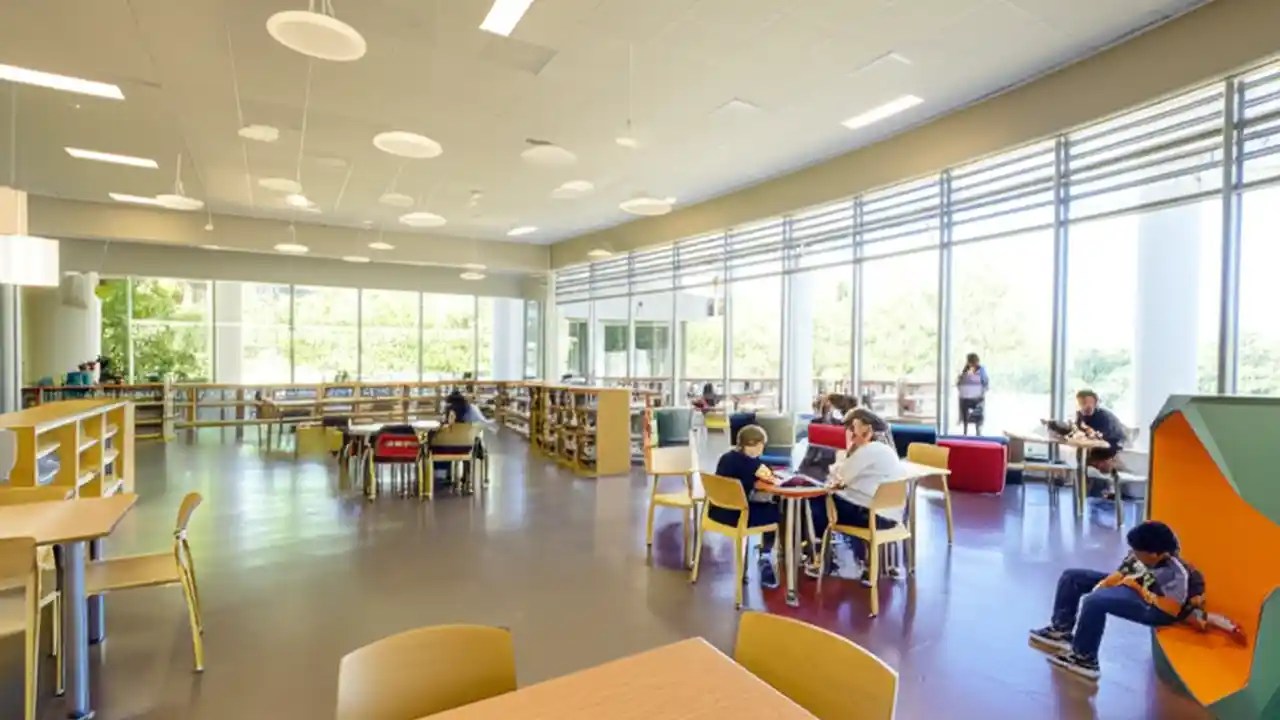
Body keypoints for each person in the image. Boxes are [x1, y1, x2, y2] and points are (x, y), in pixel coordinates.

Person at [1029, 521, 1203, 681]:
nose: (1133, 553)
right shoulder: (1142, 555)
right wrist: (1105, 585)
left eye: (1137, 551)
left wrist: (1136, 588)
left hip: (1155, 608)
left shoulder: (1175, 574)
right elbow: (1122, 573)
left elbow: (1170, 610)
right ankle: (1061, 629)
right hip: (1134, 584)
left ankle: (1084, 658)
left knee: (1095, 602)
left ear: (1154, 554)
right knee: (1072, 577)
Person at [807, 409, 903, 584]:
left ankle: (821, 557)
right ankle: (839, 556)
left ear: (868, 430)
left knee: (814, 499)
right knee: (833, 498)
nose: (850, 433)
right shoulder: (886, 450)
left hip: (872, 516)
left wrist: (841, 460)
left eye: (853, 428)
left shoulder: (868, 450)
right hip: (891, 515)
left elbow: (839, 477)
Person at [712, 425, 782, 589]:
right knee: (777, 511)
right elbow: (767, 476)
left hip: (717, 512)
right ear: (757, 445)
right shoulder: (752, 464)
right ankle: (766, 554)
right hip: (739, 516)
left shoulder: (725, 458)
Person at [1075, 389, 1128, 496]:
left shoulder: (1104, 416)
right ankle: (1085, 487)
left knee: (1093, 458)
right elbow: (1078, 430)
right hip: (1093, 446)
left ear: (1096, 403)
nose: (1087, 406)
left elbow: (1106, 435)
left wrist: (1091, 435)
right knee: (1080, 454)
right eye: (1083, 403)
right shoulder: (1080, 416)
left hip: (1111, 443)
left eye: (1089, 402)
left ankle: (1106, 477)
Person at [956, 353, 989, 436]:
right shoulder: (968, 370)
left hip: (973, 398)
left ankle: (969, 428)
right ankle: (970, 428)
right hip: (970, 398)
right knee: (968, 404)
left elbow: (959, 383)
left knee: (969, 405)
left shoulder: (979, 370)